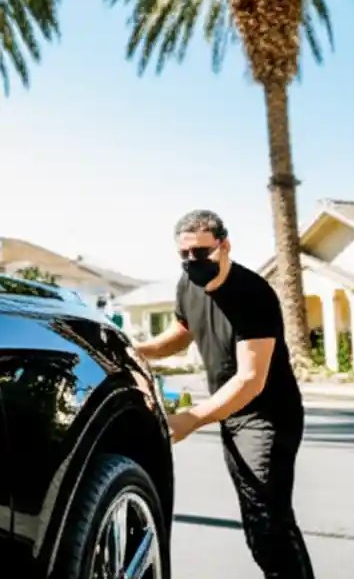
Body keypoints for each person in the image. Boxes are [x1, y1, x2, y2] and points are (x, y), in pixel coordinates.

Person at [135, 209, 315, 578]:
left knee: (268, 523)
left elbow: (251, 379)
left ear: (224, 245)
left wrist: (190, 419)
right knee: (257, 524)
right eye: (184, 254)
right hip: (230, 412)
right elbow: (181, 333)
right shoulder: (188, 286)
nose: (191, 262)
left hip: (267, 418)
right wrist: (137, 351)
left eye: (200, 253)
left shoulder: (253, 294)